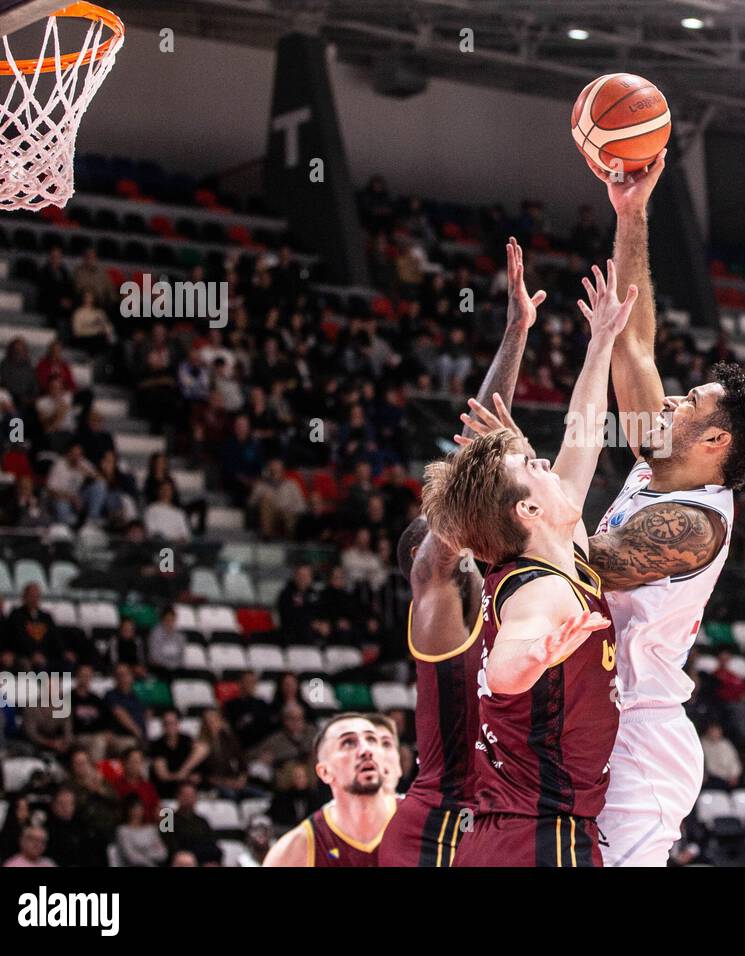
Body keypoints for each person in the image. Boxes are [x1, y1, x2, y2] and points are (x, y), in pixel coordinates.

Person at [560, 151, 745, 866]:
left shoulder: (691, 523)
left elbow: (568, 568)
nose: (670, 398)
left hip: (639, 740)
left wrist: (507, 491)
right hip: (594, 719)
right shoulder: (658, 464)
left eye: (689, 401)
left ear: (713, 440)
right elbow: (634, 342)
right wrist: (631, 214)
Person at [423, 257, 635, 867]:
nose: (548, 464)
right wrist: (529, 659)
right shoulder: (542, 591)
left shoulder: (557, 554)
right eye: (533, 469)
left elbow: (585, 436)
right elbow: (510, 662)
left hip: (516, 834)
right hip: (540, 836)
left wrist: (601, 344)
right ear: (527, 512)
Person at [379, 238, 539, 868]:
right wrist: (514, 337)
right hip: (439, 826)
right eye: (447, 535)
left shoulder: (511, 596)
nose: (462, 541)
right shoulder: (436, 601)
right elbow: (474, 453)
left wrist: (518, 327)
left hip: (497, 824)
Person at [262, 713, 398, 867]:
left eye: (371, 739)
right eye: (348, 743)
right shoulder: (297, 849)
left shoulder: (423, 821)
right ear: (324, 772)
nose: (366, 750)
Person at [115, 796, 168, 867]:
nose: (137, 811)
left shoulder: (151, 829)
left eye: (139, 808)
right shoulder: (122, 830)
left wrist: (141, 852)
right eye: (134, 808)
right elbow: (131, 856)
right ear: (128, 810)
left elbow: (163, 853)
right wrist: (149, 860)